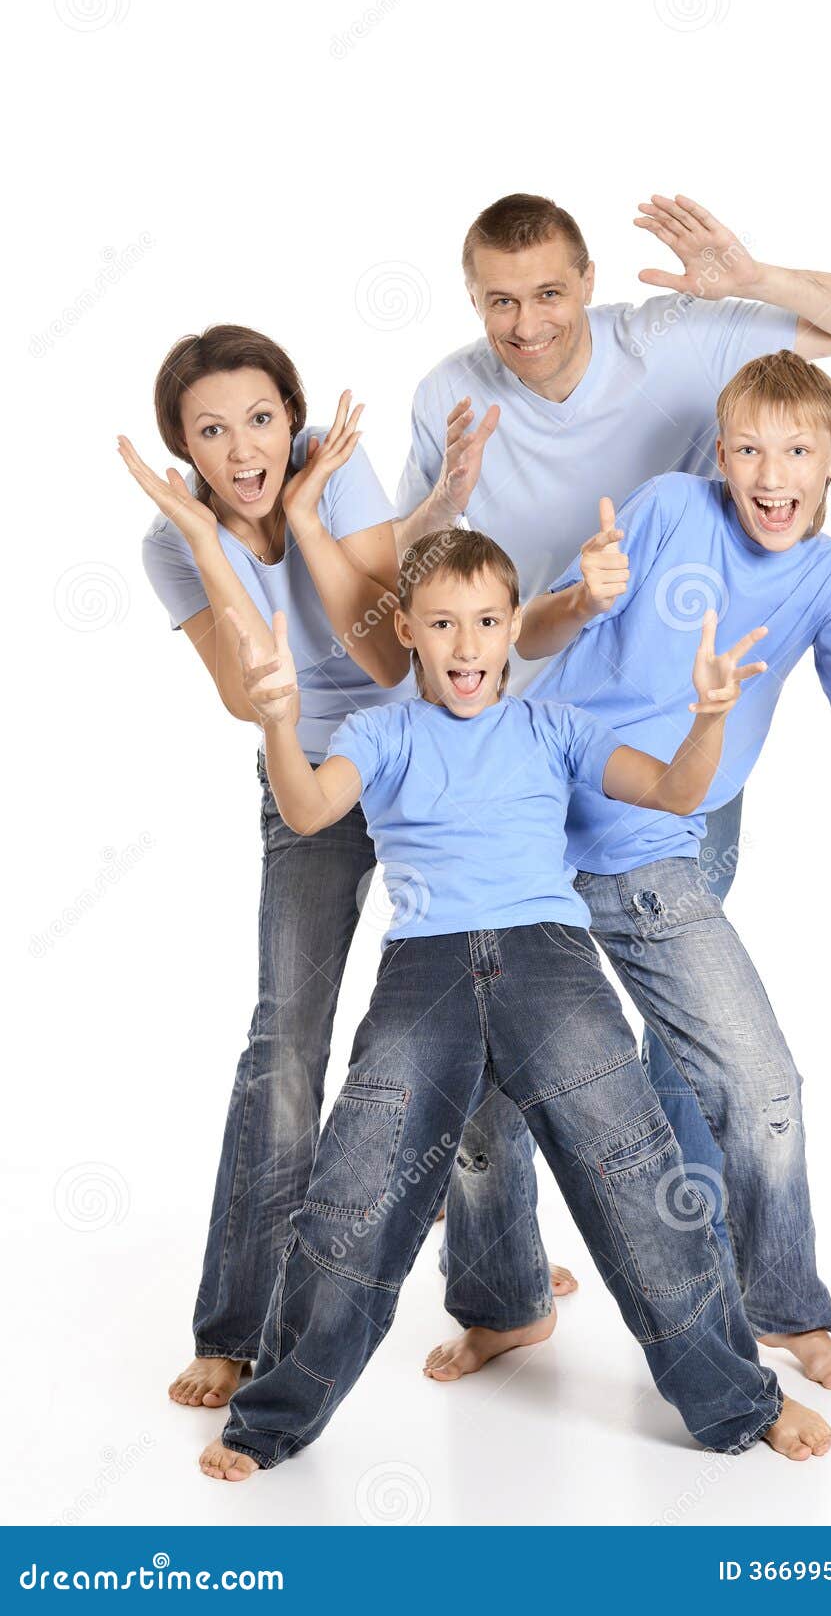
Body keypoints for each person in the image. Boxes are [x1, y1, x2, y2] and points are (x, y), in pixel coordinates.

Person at [198, 527, 831, 1480]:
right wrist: (279, 723)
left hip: (551, 965)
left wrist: (708, 718)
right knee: (352, 1197)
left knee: (639, 1184)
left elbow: (670, 790)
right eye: (444, 624)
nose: (467, 647)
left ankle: (742, 1400)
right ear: (406, 630)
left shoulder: (553, 725)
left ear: (511, 629)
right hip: (425, 977)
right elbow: (307, 811)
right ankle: (271, 1421)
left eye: (489, 623)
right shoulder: (382, 731)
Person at [394, 191, 831, 1320]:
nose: (525, 322)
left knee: (714, 1059)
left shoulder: (674, 349)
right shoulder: (467, 402)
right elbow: (425, 588)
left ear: (589, 283)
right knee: (484, 1072)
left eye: (548, 292)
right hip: (520, 773)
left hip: (665, 814)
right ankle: (503, 1295)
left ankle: (732, 1286)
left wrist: (753, 275)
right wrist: (563, 588)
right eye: (499, 300)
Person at [129, 325, 421, 1411]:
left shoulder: (335, 480)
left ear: (290, 418)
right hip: (303, 768)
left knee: (479, 1001)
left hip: (420, 754)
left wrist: (303, 517)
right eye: (211, 431)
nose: (242, 446)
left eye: (259, 419)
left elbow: (391, 655)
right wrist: (211, 545)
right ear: (186, 450)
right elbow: (246, 693)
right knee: (286, 1035)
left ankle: (498, 1278)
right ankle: (235, 1320)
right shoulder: (172, 542)